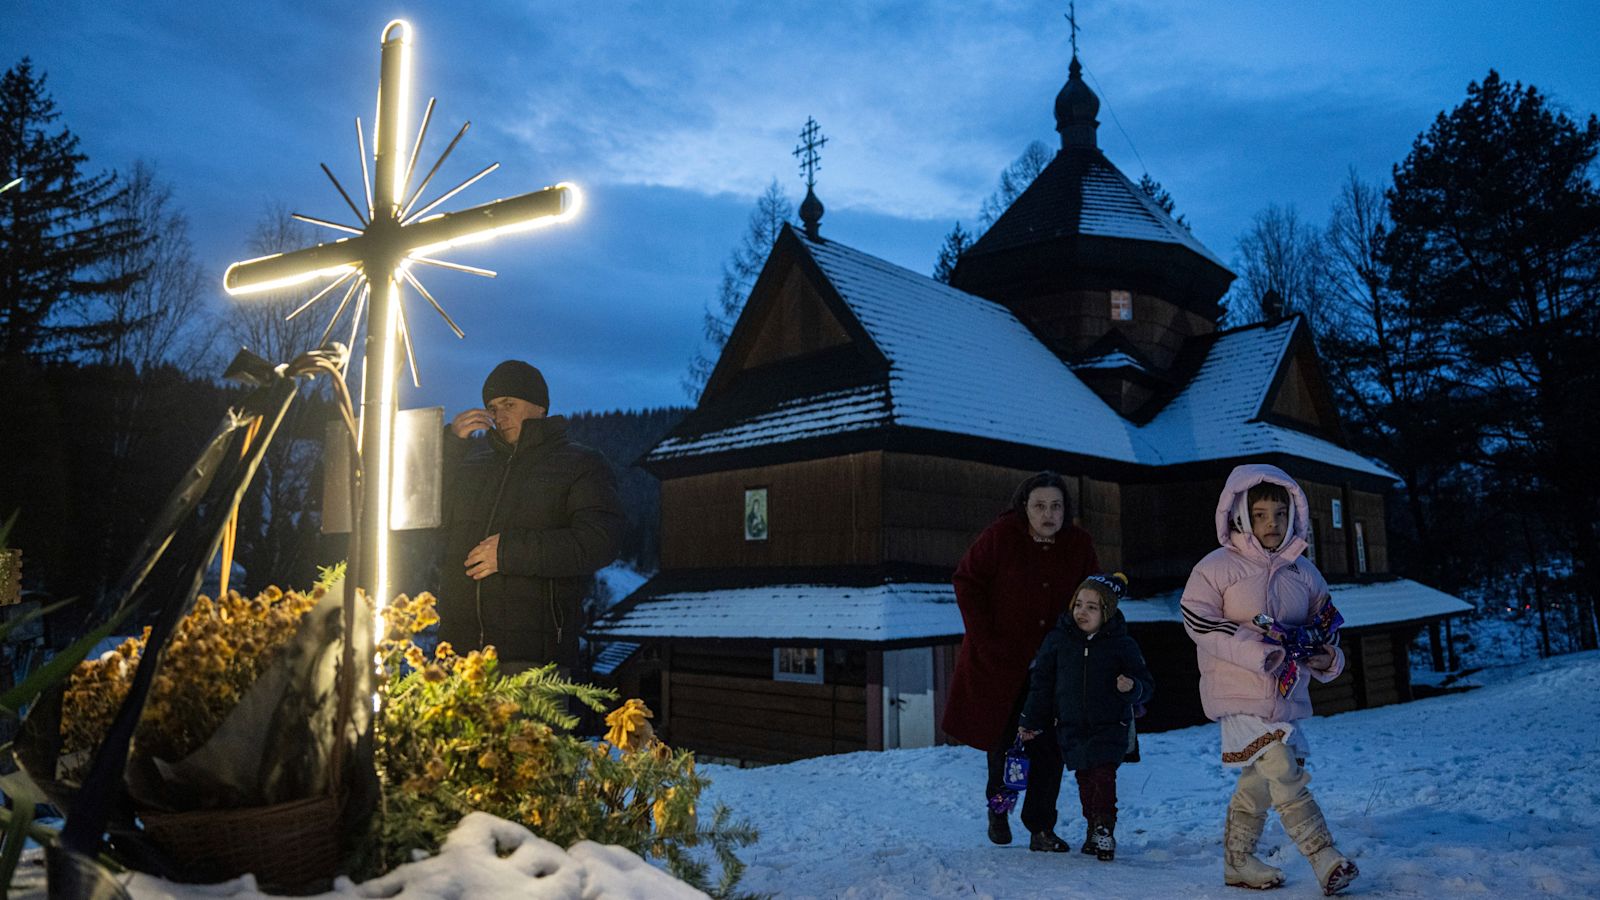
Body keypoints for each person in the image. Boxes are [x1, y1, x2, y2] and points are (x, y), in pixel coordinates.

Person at [1181, 463, 1359, 895]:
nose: (1271, 524)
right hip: (1238, 693)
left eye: (1280, 514)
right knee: (1280, 766)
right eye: (1260, 514)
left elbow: (1327, 623)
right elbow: (1196, 619)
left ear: (1293, 515)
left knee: (1261, 780)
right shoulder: (1216, 567)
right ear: (1241, 514)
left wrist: (1323, 653)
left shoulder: (1304, 572)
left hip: (1286, 695)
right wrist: (1261, 651)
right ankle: (1323, 856)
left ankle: (1237, 861)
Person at [942, 471, 1100, 851]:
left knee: (1050, 749)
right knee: (1006, 746)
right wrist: (985, 637)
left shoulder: (1078, 544)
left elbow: (1095, 594)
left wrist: (1085, 641)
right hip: (1003, 666)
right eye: (1040, 506)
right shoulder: (1000, 538)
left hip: (1054, 668)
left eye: (1057, 506)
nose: (1049, 514)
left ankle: (1040, 828)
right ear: (1023, 507)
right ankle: (999, 808)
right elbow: (966, 581)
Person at [438, 360, 626, 676]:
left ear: (539, 406)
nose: (499, 415)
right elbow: (425, 516)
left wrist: (510, 552)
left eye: (509, 404)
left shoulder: (579, 463)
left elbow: (600, 541)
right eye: (492, 407)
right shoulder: (473, 466)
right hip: (458, 656)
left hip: (532, 662)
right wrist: (451, 446)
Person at [1017, 572, 1153, 862]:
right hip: (1070, 726)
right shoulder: (1058, 641)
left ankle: (1104, 827)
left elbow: (1146, 686)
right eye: (1078, 604)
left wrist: (1132, 687)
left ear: (1107, 611)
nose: (1082, 612)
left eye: (1092, 607)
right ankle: (1093, 826)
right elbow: (1041, 684)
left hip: (1110, 726)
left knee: (1104, 776)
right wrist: (1030, 720)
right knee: (1085, 780)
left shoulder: (1122, 645)